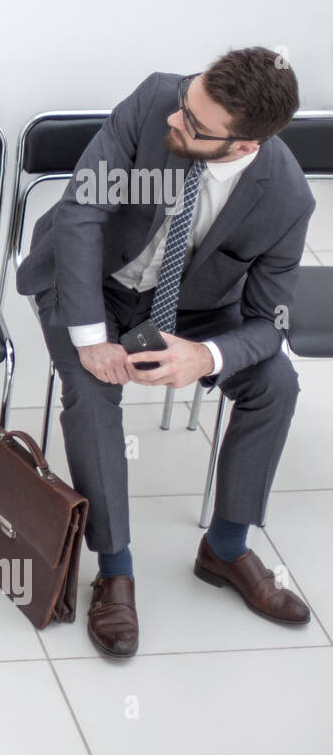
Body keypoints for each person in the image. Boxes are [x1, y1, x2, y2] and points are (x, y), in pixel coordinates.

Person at [17, 47, 313, 657]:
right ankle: (115, 567)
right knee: (92, 388)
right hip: (89, 283)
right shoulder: (158, 98)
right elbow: (80, 213)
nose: (176, 122)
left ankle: (226, 549)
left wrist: (205, 356)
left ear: (242, 147)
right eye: (188, 102)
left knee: (276, 383)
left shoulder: (287, 199)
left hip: (195, 309)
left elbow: (269, 321)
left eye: (196, 127)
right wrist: (92, 339)